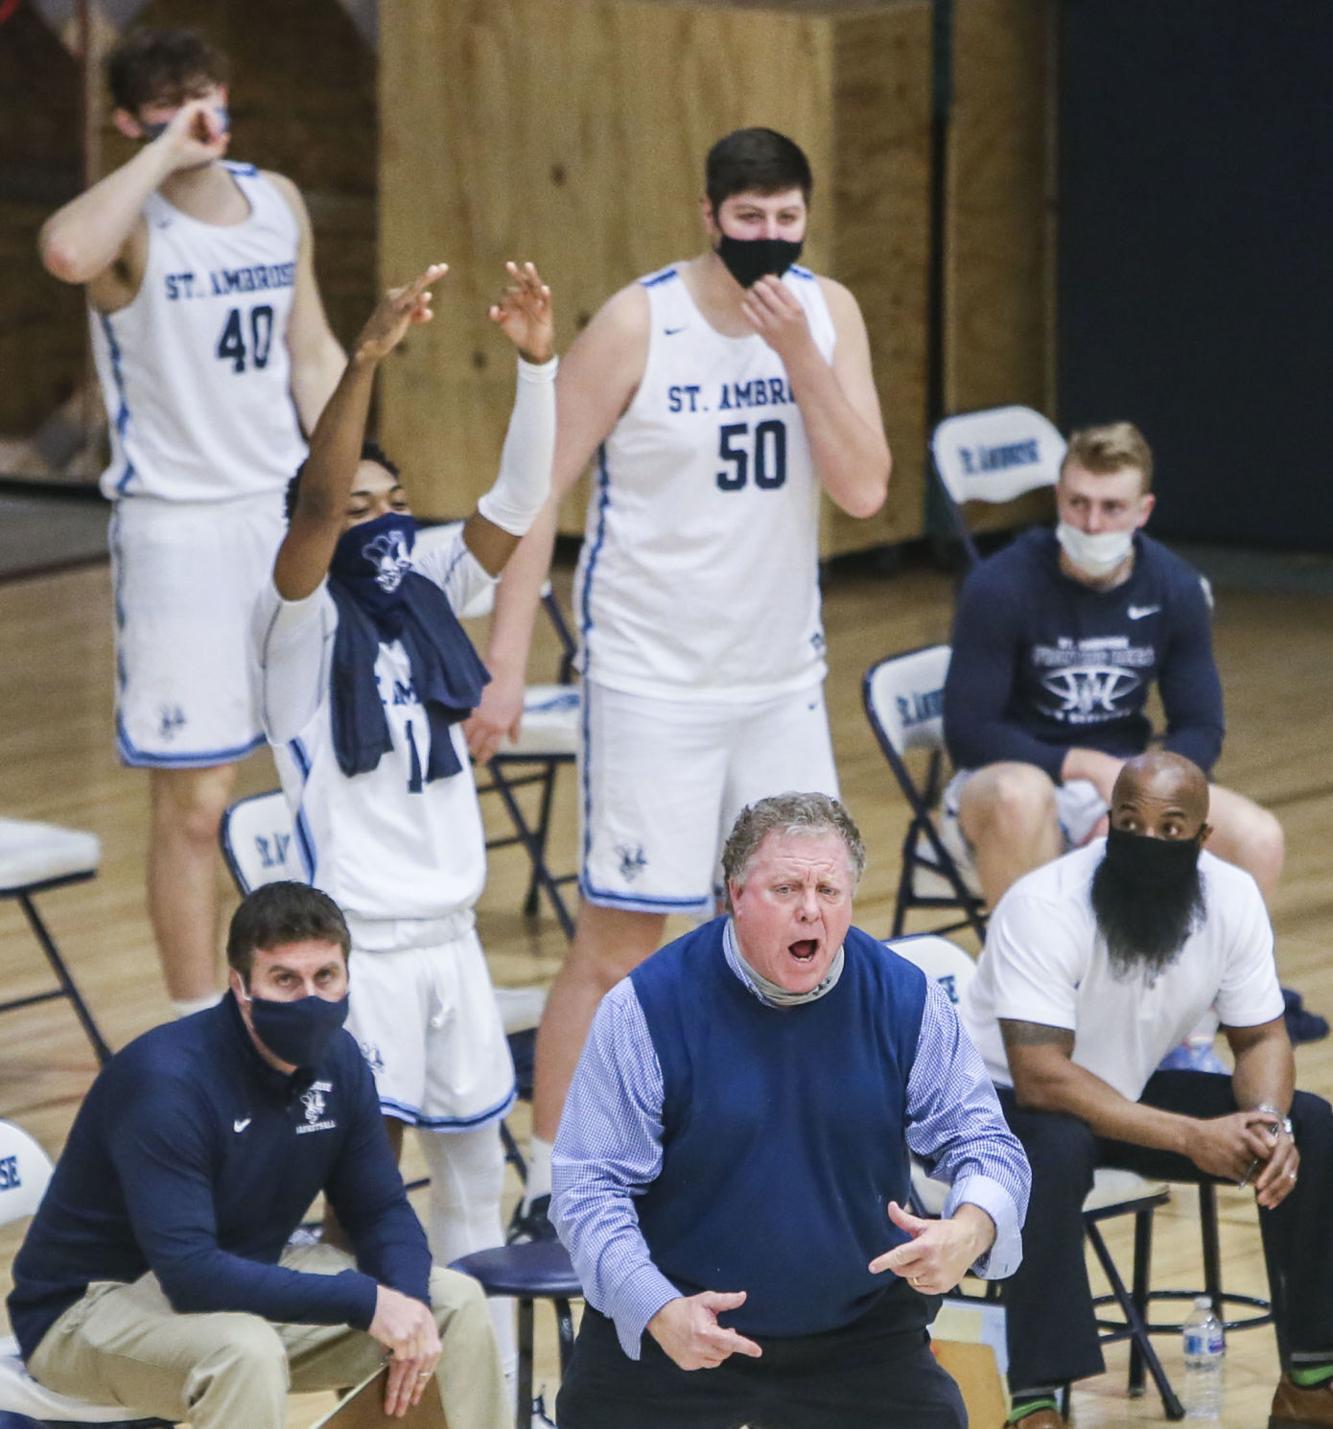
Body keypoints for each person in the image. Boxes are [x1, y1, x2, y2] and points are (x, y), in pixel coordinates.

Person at [475, 128, 892, 1231]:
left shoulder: (830, 313)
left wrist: (801, 357)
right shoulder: (635, 322)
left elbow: (863, 489)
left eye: (785, 219)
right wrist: (504, 664)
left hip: (777, 681)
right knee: (619, 938)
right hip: (652, 680)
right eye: (747, 219)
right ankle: (554, 1178)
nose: (768, 239)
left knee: (800, 929)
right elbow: (528, 497)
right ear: (709, 217)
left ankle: (771, 1157)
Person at [253, 258, 556, 1383]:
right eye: (358, 509)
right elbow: (321, 506)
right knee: (365, 1188)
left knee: (478, 1172)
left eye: (395, 505)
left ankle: (490, 1395)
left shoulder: (427, 588)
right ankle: (354, 1387)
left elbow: (519, 508)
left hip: (453, 937)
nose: (378, 524)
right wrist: (366, 362)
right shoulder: (292, 619)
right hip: (359, 948)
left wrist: (538, 368)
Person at [551, 792, 1031, 1429]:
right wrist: (657, 1307)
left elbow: (987, 1143)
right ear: (735, 895)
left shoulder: (902, 997)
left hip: (858, 1338)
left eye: (829, 890)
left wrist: (969, 1229)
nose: (811, 910)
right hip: (680, 1327)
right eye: (786, 888)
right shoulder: (647, 1007)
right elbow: (589, 1187)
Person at [38, 28, 345, 1016]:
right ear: (131, 121)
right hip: (176, 528)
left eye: (205, 92)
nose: (198, 112)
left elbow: (311, 352)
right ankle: (187, 1029)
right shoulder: (125, 227)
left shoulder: (276, 200)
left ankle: (319, 999)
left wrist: (357, 476)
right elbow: (65, 250)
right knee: (195, 806)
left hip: (278, 515)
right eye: (167, 104)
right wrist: (162, 156)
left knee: (324, 780)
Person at [6, 881, 508, 1428]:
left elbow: (381, 1210)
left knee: (450, 1303)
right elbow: (191, 1275)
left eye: (326, 977)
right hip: (89, 1309)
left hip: (243, 1269)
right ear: (240, 986)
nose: (310, 999)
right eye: (285, 980)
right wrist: (365, 1302)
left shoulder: (340, 1062)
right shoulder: (166, 1082)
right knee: (243, 1352)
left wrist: (407, 1305)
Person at [958, 751, 1333, 1428]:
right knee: (1056, 1145)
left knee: (1311, 1125)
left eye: (1169, 828)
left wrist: (1267, 1120)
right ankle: (1036, 1400)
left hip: (1121, 1088)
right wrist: (1192, 1135)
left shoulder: (1230, 897)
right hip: (999, 1100)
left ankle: (1310, 1377)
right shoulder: (1044, 904)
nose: (1148, 841)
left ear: (1200, 836)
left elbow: (1261, 1038)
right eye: (1130, 822)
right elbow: (1041, 1074)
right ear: (1107, 822)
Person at [941, 420, 1284, 914]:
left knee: (1259, 837)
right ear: (1058, 498)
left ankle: (1219, 991)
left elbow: (1201, 727)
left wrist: (1142, 798)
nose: (1092, 524)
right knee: (1020, 796)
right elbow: (969, 732)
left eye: (1111, 507)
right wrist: (1084, 765)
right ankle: (1030, 982)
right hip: (1008, 779)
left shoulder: (1176, 588)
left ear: (1143, 511)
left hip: (1126, 781)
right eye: (1078, 503)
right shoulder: (999, 585)